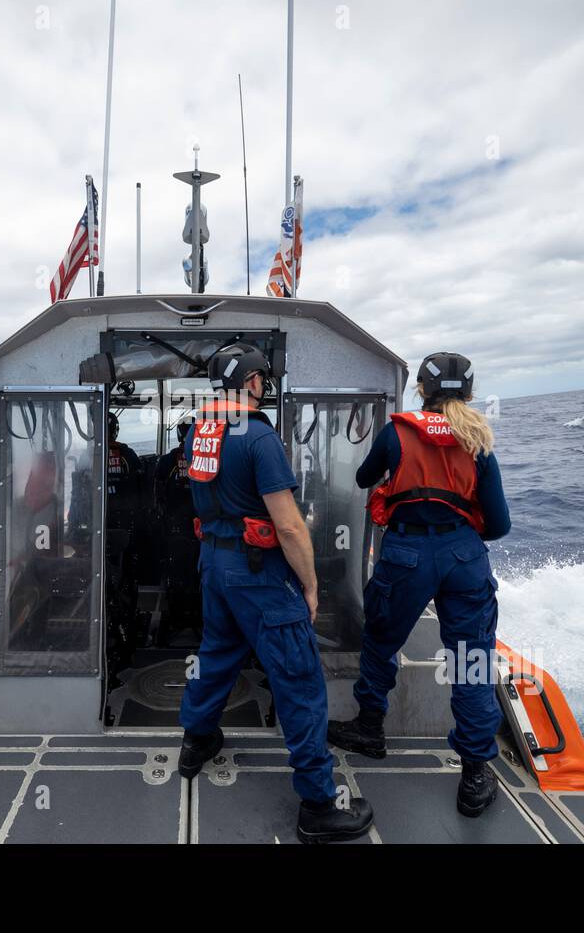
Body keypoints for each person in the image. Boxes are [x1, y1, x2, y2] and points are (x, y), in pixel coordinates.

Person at [177, 343, 374, 843]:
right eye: (261, 379)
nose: (264, 386)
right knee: (299, 678)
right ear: (250, 383)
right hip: (257, 572)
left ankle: (197, 739)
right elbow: (287, 527)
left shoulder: (200, 431)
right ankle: (318, 805)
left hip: (214, 565)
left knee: (217, 652)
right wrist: (309, 586)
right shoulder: (259, 437)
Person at [327, 351, 512, 818]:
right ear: (468, 393)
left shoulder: (398, 433)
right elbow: (500, 524)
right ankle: (473, 773)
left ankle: (370, 729)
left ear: (422, 391)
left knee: (381, 640)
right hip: (464, 557)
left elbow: (364, 476)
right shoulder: (479, 441)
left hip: (407, 556)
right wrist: (461, 538)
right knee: (471, 658)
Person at [152, 417, 200, 644]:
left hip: (175, 531)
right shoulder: (208, 459)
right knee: (201, 577)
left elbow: (157, 498)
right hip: (203, 532)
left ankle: (177, 621)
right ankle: (201, 620)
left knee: (177, 576)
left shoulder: (166, 461)